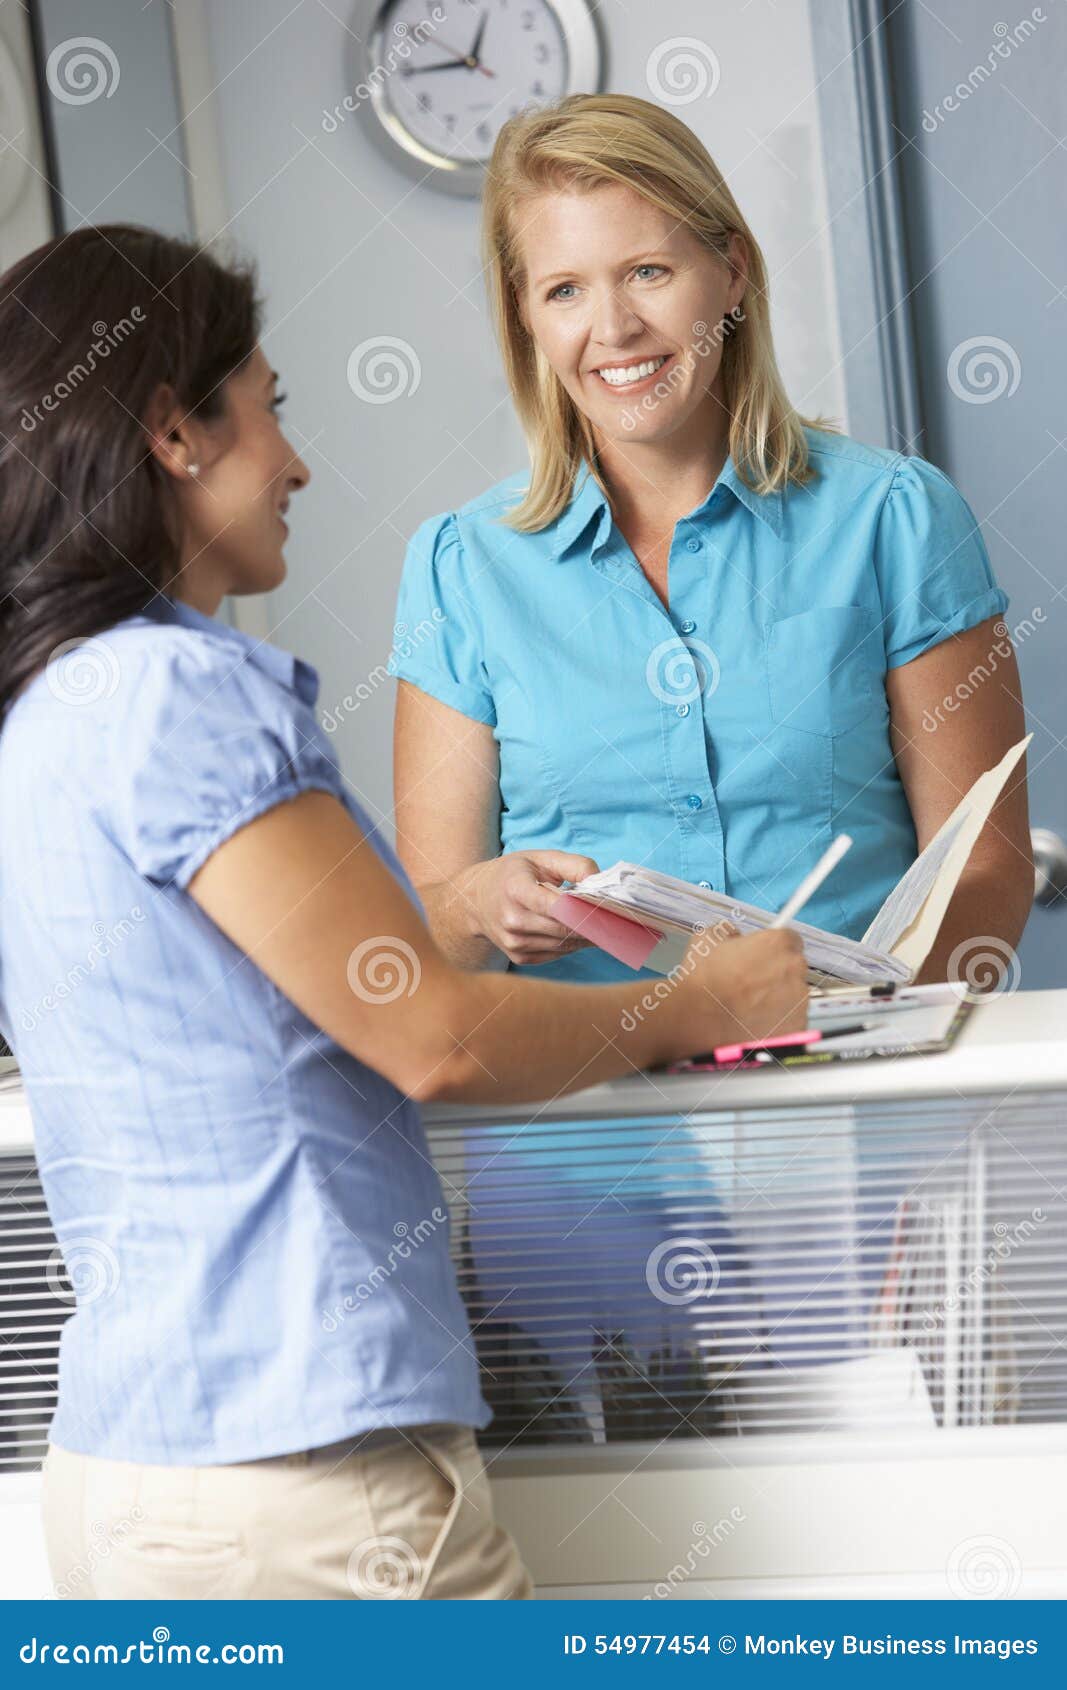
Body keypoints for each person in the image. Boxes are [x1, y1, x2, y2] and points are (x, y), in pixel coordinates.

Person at [0, 225, 807, 1600]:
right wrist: (707, 1003)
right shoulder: (185, 692)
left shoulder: (49, 710)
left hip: (130, 1488)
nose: (296, 461)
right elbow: (428, 1040)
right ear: (172, 432)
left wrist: (472, 907)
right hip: (316, 1487)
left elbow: (255, 985)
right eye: (266, 408)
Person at [390, 94, 1032, 988]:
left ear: (730, 273)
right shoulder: (461, 567)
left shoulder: (894, 518)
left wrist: (876, 1033)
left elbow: (986, 867)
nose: (612, 329)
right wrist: (473, 906)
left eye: (648, 271)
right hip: (589, 1112)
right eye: (564, 289)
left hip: (853, 1086)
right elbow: (428, 922)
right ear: (526, 317)